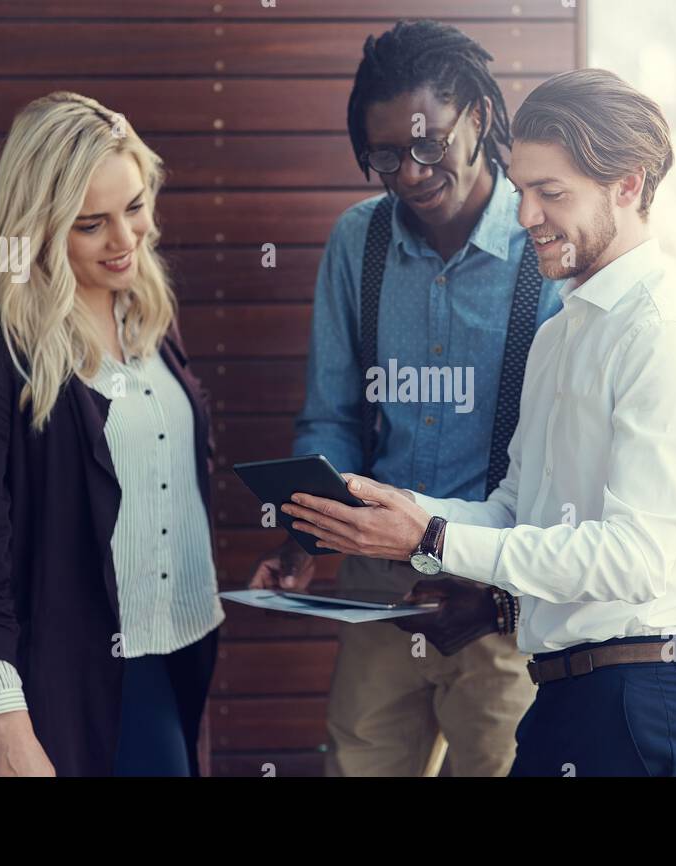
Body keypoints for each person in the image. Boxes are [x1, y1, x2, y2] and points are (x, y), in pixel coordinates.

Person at [283, 69, 676, 776]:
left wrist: (434, 536)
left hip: (649, 705)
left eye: (550, 193)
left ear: (627, 184)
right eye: (520, 187)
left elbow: (634, 559)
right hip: (564, 695)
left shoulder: (666, 336)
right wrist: (404, 514)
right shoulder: (564, 333)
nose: (525, 213)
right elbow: (515, 510)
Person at [247, 20, 565, 776]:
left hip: (499, 585)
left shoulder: (544, 253)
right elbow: (333, 415)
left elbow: (569, 455)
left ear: (480, 120)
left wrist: (504, 598)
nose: (410, 172)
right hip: (375, 589)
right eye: (384, 155)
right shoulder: (358, 242)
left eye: (429, 145)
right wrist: (306, 536)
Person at [0, 92, 223, 777]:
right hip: (55, 686)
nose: (126, 239)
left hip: (173, 656)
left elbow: (162, 476)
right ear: (40, 225)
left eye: (135, 206)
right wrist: (9, 730)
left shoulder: (152, 321)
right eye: (92, 224)